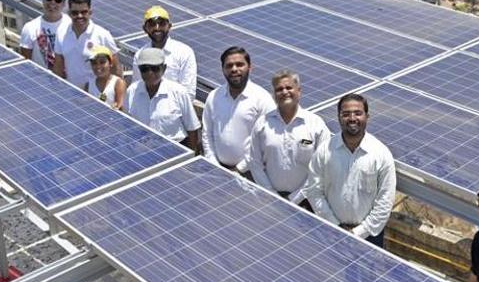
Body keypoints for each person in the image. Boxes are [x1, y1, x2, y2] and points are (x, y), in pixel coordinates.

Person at [304, 93, 396, 247]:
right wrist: (335, 226)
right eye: (346, 114)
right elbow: (314, 191)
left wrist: (359, 232)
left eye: (358, 113)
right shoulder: (324, 151)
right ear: (339, 117)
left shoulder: (381, 154)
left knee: (367, 272)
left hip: (369, 235)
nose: (352, 118)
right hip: (330, 231)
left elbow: (385, 200)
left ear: (367, 116)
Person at [248, 70, 329, 209]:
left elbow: (321, 168)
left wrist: (295, 198)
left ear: (299, 91)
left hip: (306, 202)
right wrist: (270, 194)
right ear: (274, 95)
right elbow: (255, 162)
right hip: (268, 200)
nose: (284, 92)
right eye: (279, 89)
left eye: (289, 88)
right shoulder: (262, 124)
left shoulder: (316, 125)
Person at [202, 47, 275, 176]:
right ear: (223, 69)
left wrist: (239, 169)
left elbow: (266, 142)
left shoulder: (262, 99)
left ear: (250, 67)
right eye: (229, 66)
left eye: (240, 64)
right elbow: (207, 133)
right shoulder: (214, 97)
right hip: (216, 168)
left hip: (250, 173)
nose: (234, 69)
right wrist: (212, 162)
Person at [125, 47, 201, 152]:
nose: (150, 73)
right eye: (145, 69)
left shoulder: (178, 92)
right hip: (141, 149)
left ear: (164, 68)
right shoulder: (132, 91)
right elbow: (126, 123)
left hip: (173, 149)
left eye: (155, 68)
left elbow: (192, 128)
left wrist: (191, 157)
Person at [52, 0, 119, 88]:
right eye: (75, 13)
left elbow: (116, 70)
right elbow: (58, 66)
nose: (79, 16)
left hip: (96, 94)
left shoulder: (103, 35)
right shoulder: (61, 33)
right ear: (69, 13)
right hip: (71, 92)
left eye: (84, 12)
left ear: (90, 12)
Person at [132, 6, 197, 99]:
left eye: (162, 24)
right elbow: (137, 88)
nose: (157, 28)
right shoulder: (140, 55)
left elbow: (188, 93)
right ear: (145, 29)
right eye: (152, 24)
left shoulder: (184, 52)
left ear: (169, 26)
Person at [19, 0, 70, 70]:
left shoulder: (71, 24)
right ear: (43, 1)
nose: (52, 2)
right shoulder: (30, 27)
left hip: (67, 80)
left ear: (64, 4)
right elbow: (25, 61)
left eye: (58, 0)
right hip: (41, 80)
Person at [84, 45, 126, 110]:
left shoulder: (118, 83)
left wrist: (115, 106)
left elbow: (120, 105)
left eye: (102, 62)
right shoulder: (88, 84)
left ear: (110, 63)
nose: (98, 66)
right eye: (94, 63)